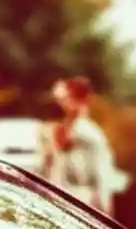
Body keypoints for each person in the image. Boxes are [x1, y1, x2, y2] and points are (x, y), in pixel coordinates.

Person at [38, 76, 127, 216]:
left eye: (66, 99)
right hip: (59, 202)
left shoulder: (90, 135)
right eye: (61, 100)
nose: (62, 104)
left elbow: (102, 174)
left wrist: (105, 212)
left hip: (83, 203)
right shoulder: (58, 130)